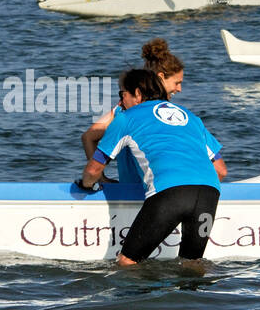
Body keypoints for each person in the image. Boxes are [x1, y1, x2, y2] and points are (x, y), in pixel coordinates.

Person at [77, 69, 227, 266]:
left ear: (137, 94)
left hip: (170, 193)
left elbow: (93, 171)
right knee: (192, 265)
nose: (121, 102)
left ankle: (141, 298)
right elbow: (221, 170)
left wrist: (86, 186)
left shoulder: (125, 118)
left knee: (127, 262)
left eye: (122, 95)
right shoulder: (191, 117)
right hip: (209, 193)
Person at [81, 38, 184, 186]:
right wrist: (101, 178)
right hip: (151, 192)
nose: (179, 89)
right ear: (161, 78)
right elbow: (88, 137)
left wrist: (100, 178)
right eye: (177, 82)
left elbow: (88, 137)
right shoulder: (124, 111)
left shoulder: (123, 110)